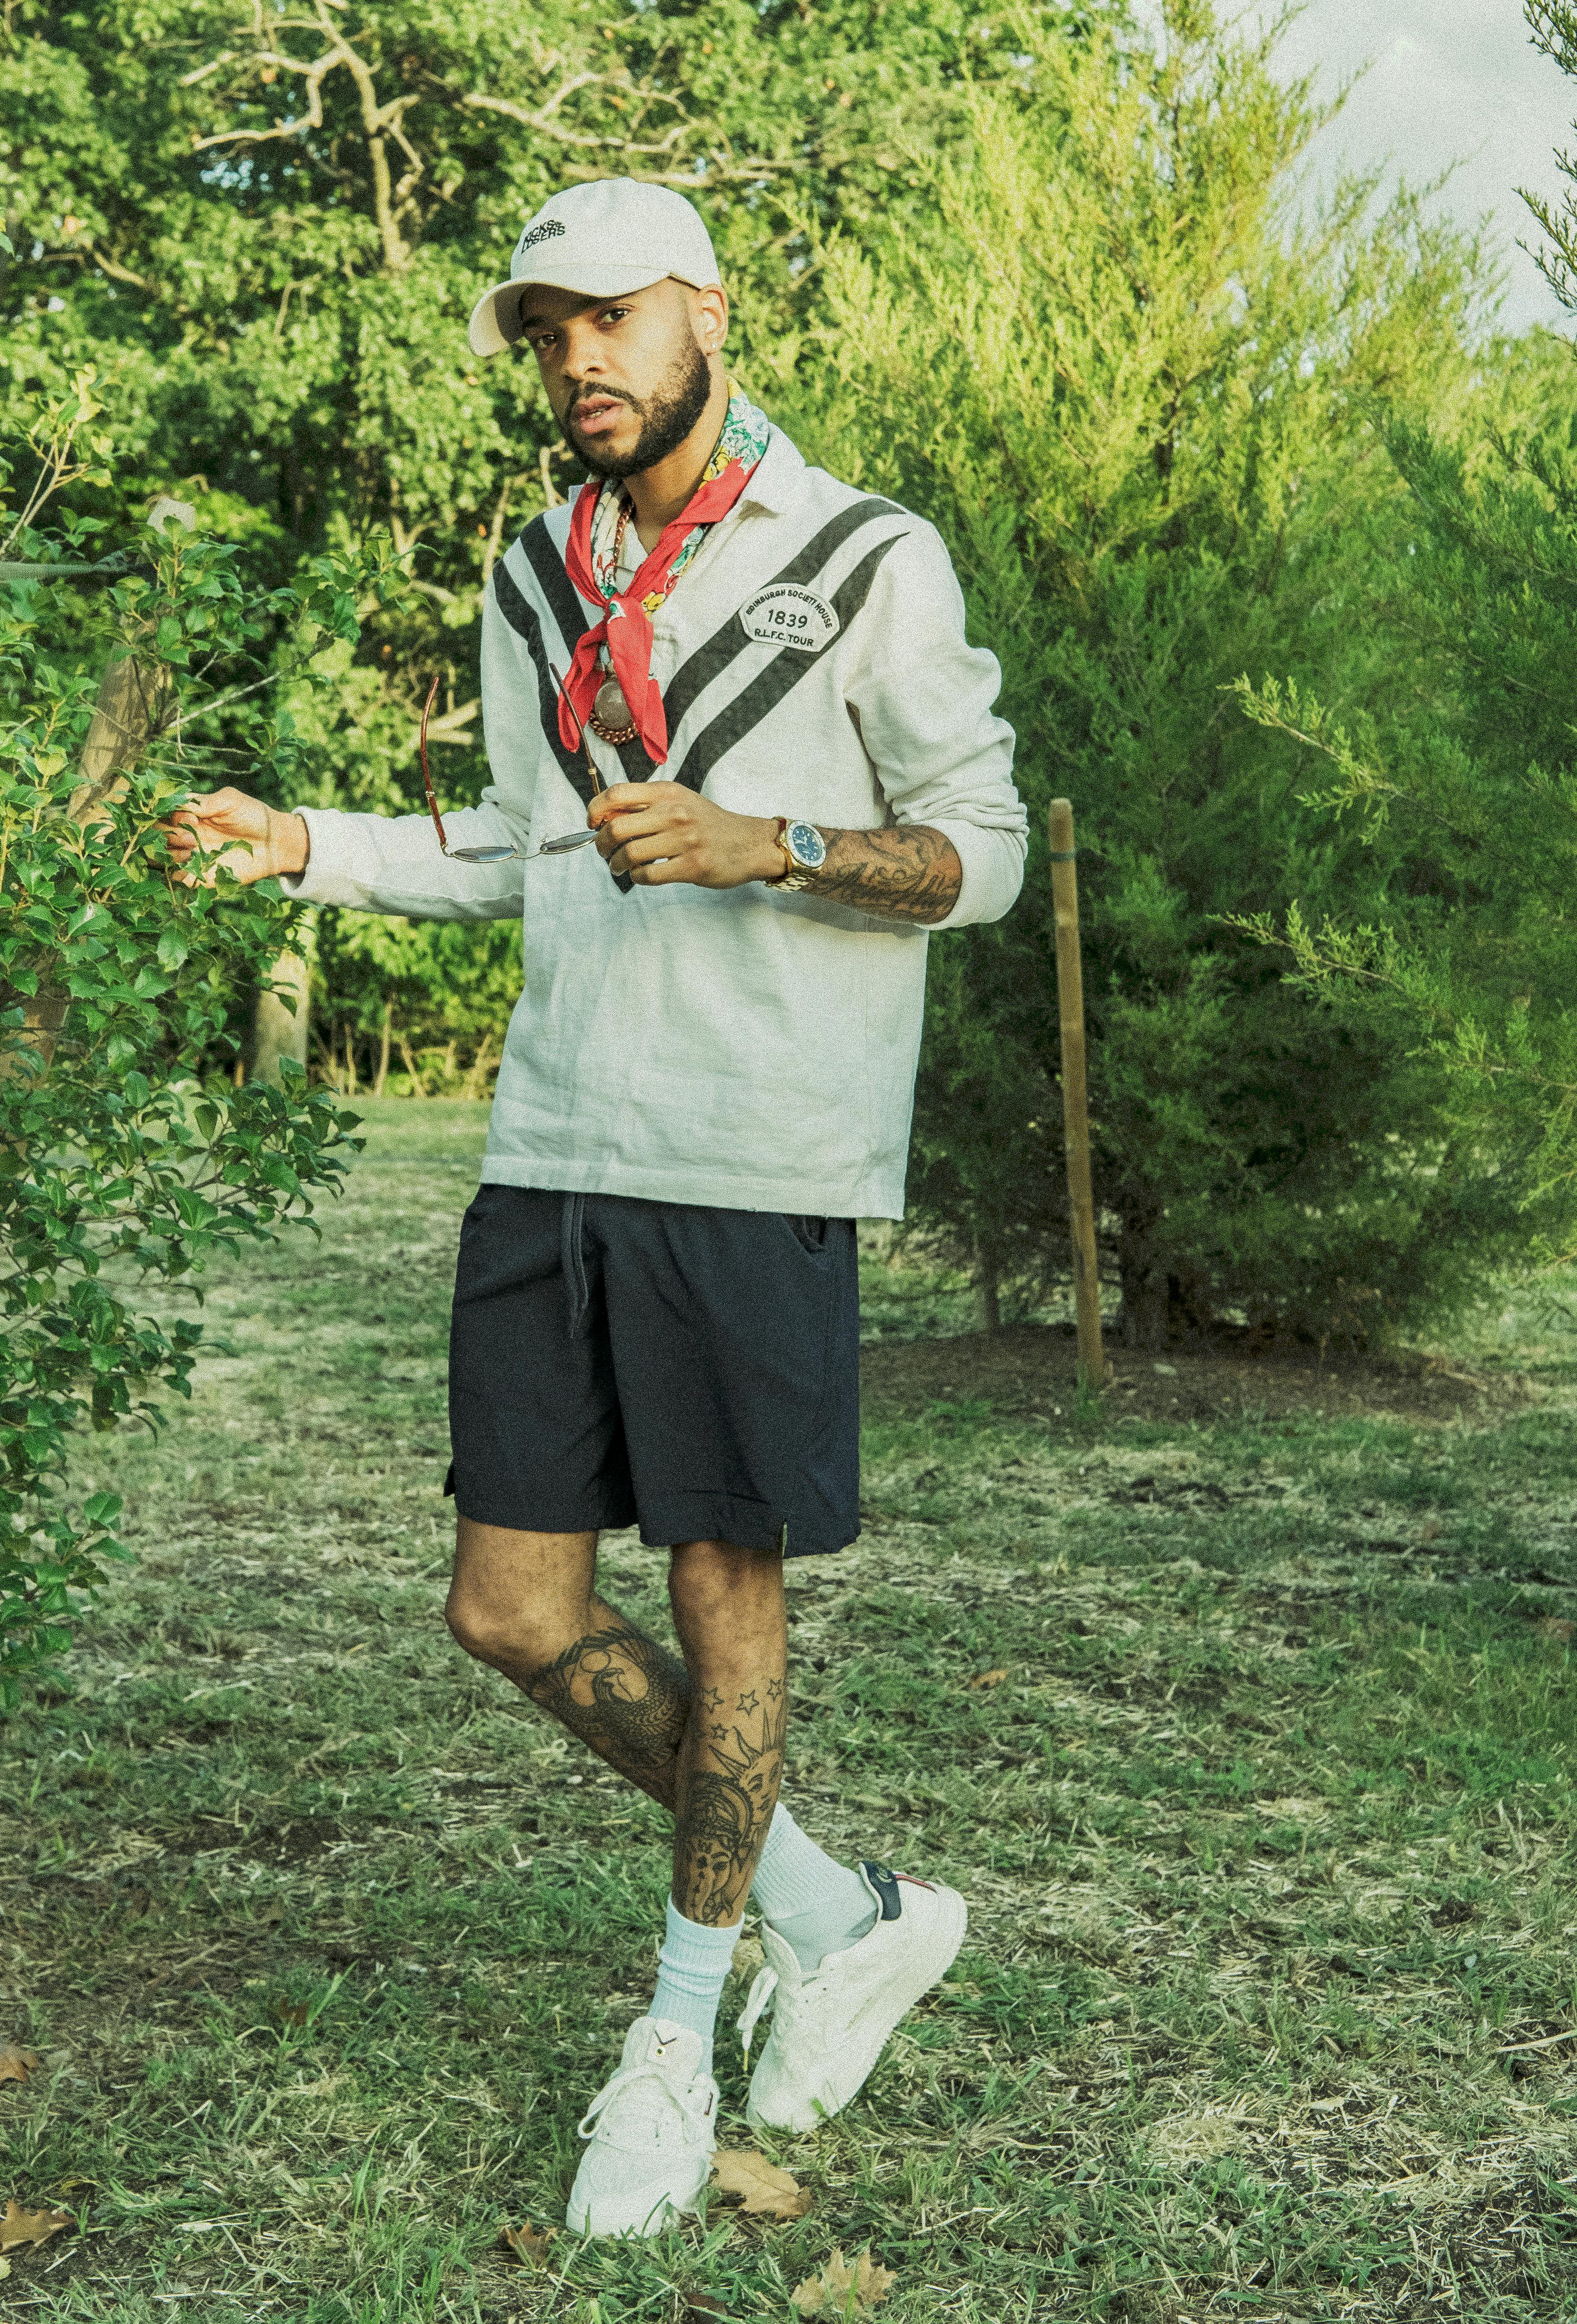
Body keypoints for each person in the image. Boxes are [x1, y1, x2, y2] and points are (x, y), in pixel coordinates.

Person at [167, 178, 1027, 2240]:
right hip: (556, 1136)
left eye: (612, 319)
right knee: (510, 1608)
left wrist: (767, 841)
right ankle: (840, 1913)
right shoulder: (537, 569)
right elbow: (521, 846)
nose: (577, 359)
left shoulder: (859, 557)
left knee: (729, 1595)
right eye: (546, 329)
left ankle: (671, 2030)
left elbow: (978, 849)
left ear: (704, 315)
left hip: (755, 1149)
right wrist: (309, 844)